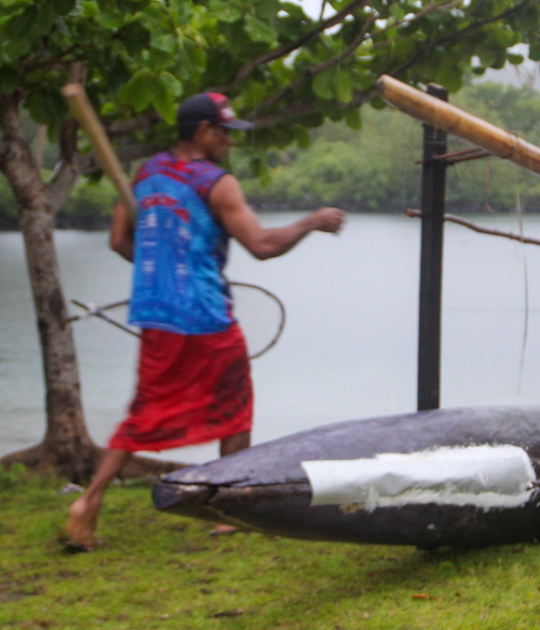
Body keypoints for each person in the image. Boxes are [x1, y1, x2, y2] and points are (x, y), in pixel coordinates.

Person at [61, 92, 345, 551]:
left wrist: (162, 268)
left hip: (156, 313)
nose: (229, 143)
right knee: (235, 403)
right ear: (203, 132)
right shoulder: (216, 182)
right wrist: (311, 222)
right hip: (206, 313)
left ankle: (87, 504)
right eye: (224, 133)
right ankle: (229, 508)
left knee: (143, 410)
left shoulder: (146, 174)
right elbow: (262, 246)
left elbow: (119, 241)